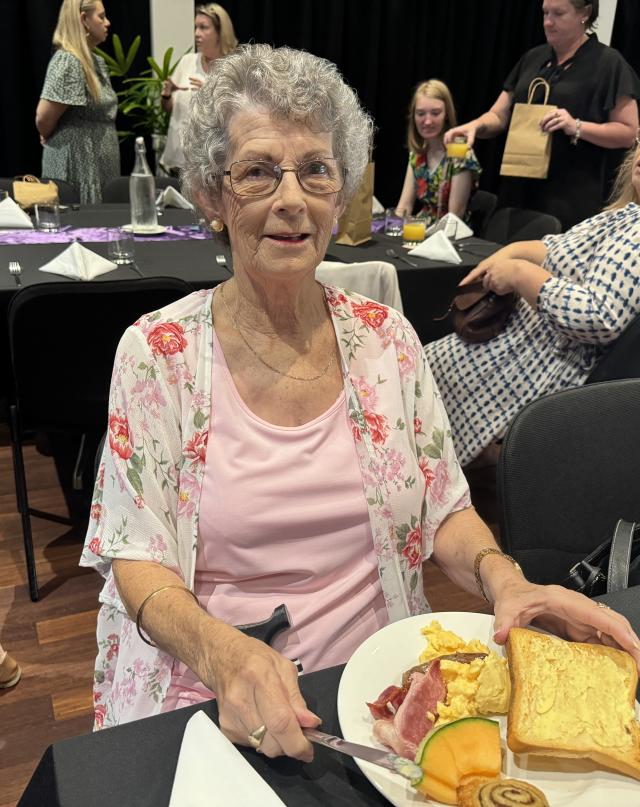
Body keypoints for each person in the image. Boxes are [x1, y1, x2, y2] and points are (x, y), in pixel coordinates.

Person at [81, 45, 640, 760]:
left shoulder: (386, 339)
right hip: (211, 691)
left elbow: (445, 507)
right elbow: (136, 558)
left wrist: (507, 579)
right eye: (257, 171)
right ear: (212, 196)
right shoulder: (156, 353)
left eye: (315, 169)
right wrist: (223, 655)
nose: (291, 198)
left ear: (341, 188)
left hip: (375, 688)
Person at [425, 131, 640, 468]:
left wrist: (520, 275)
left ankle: (453, 475)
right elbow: (557, 247)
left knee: (423, 370)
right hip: (525, 343)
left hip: (548, 363)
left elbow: (599, 316)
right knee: (422, 365)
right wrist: (509, 254)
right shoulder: (624, 216)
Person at [445, 0, 639, 230]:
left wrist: (576, 126)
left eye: (558, 13)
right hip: (517, 191)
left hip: (569, 199)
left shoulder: (608, 63)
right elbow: (499, 115)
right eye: (545, 13)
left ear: (584, 14)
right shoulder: (533, 59)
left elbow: (629, 132)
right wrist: (474, 127)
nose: (548, 22)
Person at [36, 0, 120, 204]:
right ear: (84, 19)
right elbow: (43, 119)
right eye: (101, 16)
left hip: (98, 165)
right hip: (79, 165)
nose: (107, 22)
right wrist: (47, 133)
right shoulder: (69, 60)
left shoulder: (95, 61)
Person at [159, 4, 237, 174]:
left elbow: (237, 114)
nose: (196, 33)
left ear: (220, 32)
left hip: (213, 161)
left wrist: (209, 92)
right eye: (196, 27)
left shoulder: (233, 68)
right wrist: (166, 96)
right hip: (179, 159)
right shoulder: (187, 61)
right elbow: (168, 108)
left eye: (203, 27)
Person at [395, 79, 481, 226]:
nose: (427, 121)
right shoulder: (417, 154)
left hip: (449, 237)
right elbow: (404, 207)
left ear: (446, 114)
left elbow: (454, 218)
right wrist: (392, 232)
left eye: (435, 113)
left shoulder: (460, 153)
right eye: (421, 113)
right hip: (420, 231)